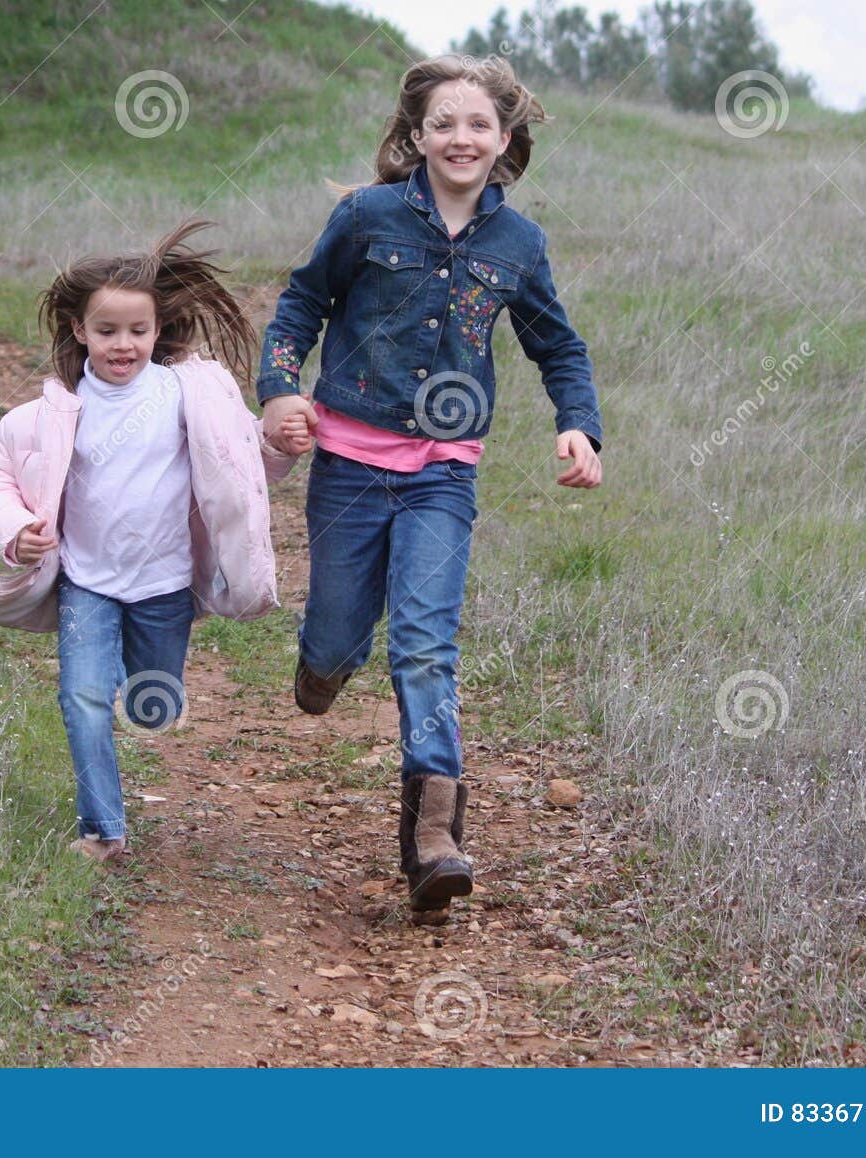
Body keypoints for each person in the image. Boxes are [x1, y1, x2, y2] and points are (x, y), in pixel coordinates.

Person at [256, 55, 604, 924]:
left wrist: (578, 423)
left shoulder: (518, 247)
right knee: (338, 639)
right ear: (416, 136)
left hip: (442, 477)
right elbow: (300, 307)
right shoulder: (367, 217)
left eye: (479, 125)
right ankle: (324, 663)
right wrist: (281, 387)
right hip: (347, 464)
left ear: (506, 142)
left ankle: (434, 840)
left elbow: (557, 346)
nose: (461, 137)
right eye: (443, 123)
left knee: (424, 642)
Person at [0, 221, 309, 862]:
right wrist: (14, 532)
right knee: (84, 696)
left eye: (138, 331)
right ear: (79, 331)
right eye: (108, 331)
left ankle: (132, 680)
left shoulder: (188, 396)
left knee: (154, 707)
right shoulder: (51, 414)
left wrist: (279, 445)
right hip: (86, 582)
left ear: (158, 330)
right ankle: (103, 830)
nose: (124, 345)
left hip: (165, 585)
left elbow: (241, 459)